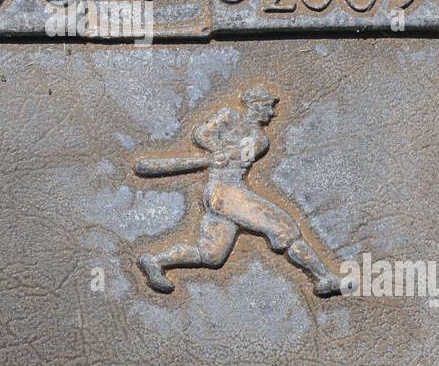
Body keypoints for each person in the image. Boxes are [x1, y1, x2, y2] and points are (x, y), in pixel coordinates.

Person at [133, 84, 342, 296]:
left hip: (223, 195)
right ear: (255, 106)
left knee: (211, 256)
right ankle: (324, 278)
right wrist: (216, 150)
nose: (272, 113)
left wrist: (227, 153)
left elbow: (243, 153)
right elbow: (201, 134)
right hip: (227, 193)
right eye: (268, 107)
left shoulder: (260, 139)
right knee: (283, 227)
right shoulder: (228, 116)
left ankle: (156, 261)